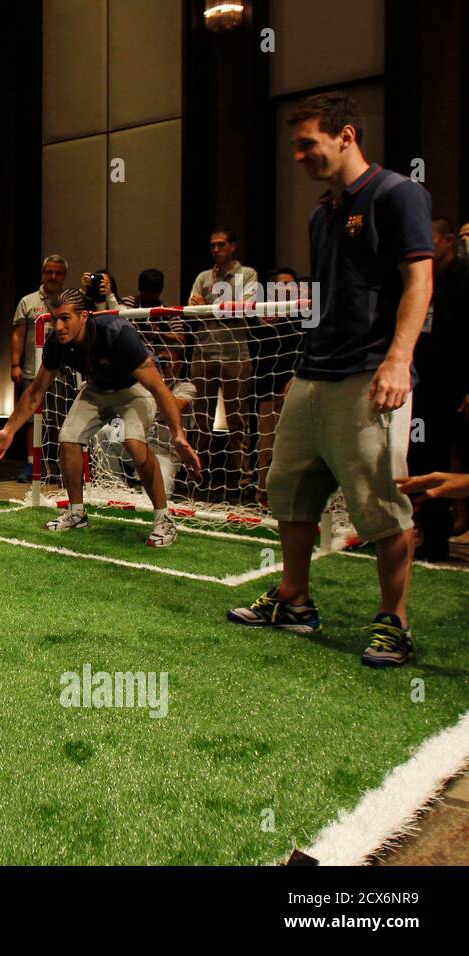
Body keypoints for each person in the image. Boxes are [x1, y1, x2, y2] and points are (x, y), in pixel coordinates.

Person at [227, 92, 434, 668]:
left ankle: (395, 622)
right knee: (287, 488)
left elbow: (418, 282)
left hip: (370, 374)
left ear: (345, 135)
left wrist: (398, 360)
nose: (298, 156)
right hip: (314, 373)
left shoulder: (398, 194)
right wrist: (303, 363)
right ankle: (294, 599)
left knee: (380, 505)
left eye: (307, 144)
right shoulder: (323, 213)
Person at [0, 290, 201, 547]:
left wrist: (178, 435)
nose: (59, 326)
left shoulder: (117, 333)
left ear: (84, 316)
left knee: (133, 442)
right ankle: (77, 512)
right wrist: (9, 430)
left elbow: (158, 388)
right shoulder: (56, 341)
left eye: (65, 318)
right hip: (97, 388)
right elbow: (35, 391)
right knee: (68, 439)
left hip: (134, 390)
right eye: (55, 319)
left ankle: (164, 520)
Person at [408, 217, 469, 560]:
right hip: (424, 386)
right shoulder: (421, 278)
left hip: (459, 387)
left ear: (448, 240)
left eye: (430, 238)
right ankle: (432, 539)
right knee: (424, 459)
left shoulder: (465, 278)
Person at [188, 229, 259, 496]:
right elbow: (192, 312)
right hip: (204, 353)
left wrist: (208, 305)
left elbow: (245, 308)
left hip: (235, 355)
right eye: (212, 245)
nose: (216, 249)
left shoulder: (247, 274)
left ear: (232, 247)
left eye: (221, 245)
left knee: (238, 419)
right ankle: (199, 474)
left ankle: (240, 478)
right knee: (201, 420)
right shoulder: (203, 277)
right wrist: (214, 308)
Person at [249, 267, 307, 500]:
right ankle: (263, 491)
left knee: (292, 445)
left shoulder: (303, 314)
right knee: (266, 444)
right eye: (282, 286)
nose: (288, 291)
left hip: (295, 386)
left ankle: (290, 493)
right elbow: (255, 348)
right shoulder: (261, 315)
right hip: (266, 386)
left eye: (292, 286)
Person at [11, 255, 67, 483]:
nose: (53, 277)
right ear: (43, 274)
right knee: (32, 420)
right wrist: (15, 364)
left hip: (64, 372)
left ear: (64, 276)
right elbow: (18, 335)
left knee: (60, 420)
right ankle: (32, 464)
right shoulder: (28, 301)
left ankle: (60, 465)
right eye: (49, 272)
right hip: (34, 372)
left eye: (58, 273)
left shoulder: (69, 301)